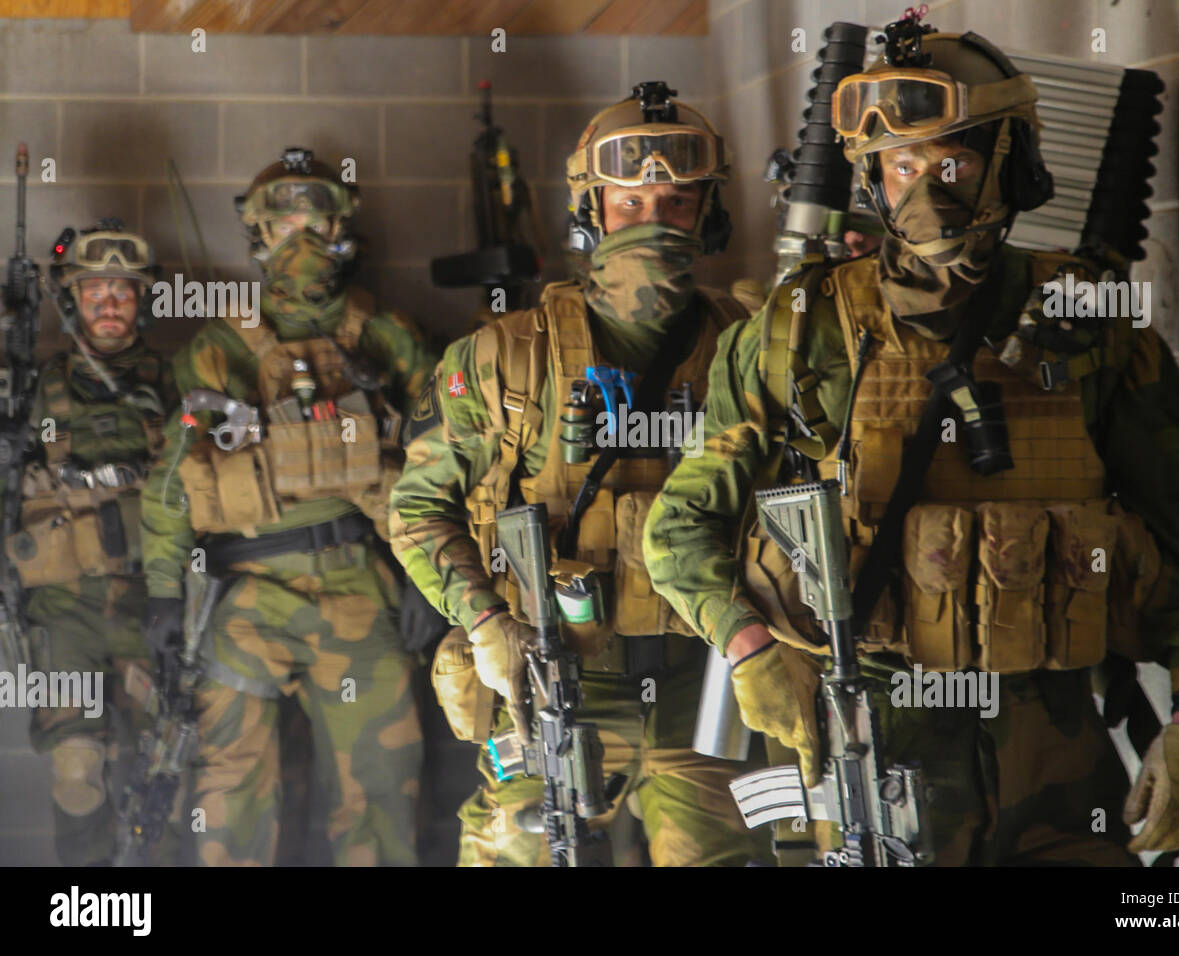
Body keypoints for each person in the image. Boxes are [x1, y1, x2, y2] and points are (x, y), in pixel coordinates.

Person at [643, 22, 1179, 865]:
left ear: (1011, 159)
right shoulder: (797, 330)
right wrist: (748, 648)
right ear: (872, 179)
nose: (927, 188)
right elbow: (678, 530)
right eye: (901, 165)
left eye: (951, 161)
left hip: (1059, 749)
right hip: (877, 737)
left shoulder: (1090, 326)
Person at [390, 82, 771, 866]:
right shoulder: (506, 356)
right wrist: (486, 621)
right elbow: (420, 508)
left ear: (710, 214)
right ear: (592, 214)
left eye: (675, 203)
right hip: (558, 670)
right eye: (629, 205)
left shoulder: (752, 345)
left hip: (709, 679)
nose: (653, 222)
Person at [140, 148, 434, 866]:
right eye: (283, 222)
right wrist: (160, 593)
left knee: (382, 789)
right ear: (259, 236)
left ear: (342, 229)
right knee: (229, 793)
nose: (300, 237)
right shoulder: (219, 346)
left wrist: (431, 572)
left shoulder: (385, 334)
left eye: (315, 218)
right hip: (247, 594)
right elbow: (176, 477)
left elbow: (446, 461)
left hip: (358, 584)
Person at [15, 220, 178, 865]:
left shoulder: (172, 383)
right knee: (77, 774)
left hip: (154, 606)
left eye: (124, 292)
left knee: (158, 772)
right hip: (65, 611)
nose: (110, 305)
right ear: (72, 301)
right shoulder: (36, 389)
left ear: (142, 300)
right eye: (94, 292)